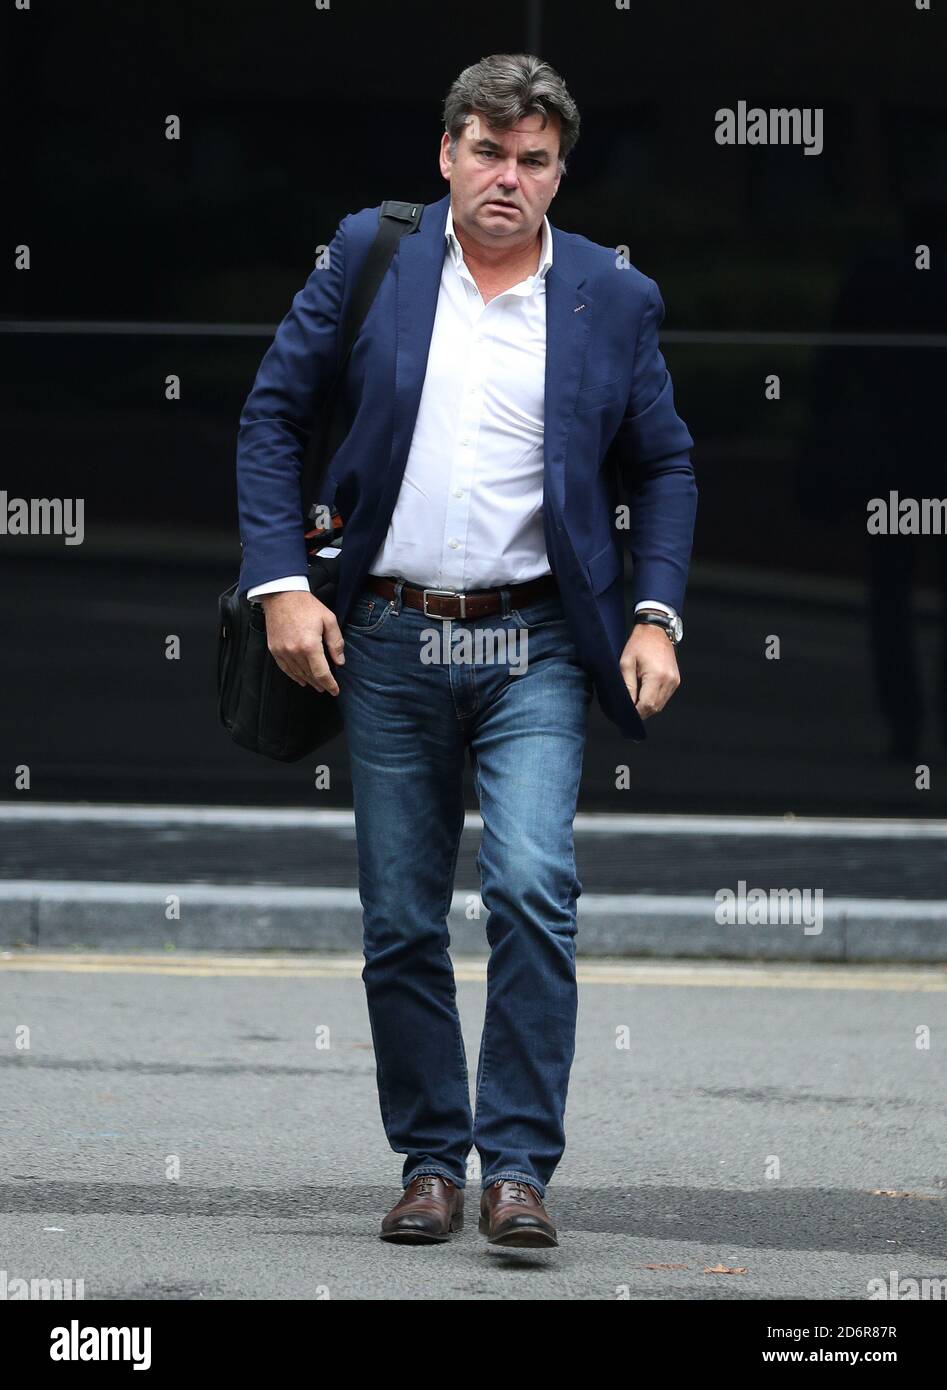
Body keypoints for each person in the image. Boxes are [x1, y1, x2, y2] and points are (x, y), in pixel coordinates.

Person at [236, 53, 697, 1248]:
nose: (507, 176)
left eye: (532, 159)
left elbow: (663, 461)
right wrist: (282, 583)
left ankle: (519, 1171)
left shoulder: (608, 293)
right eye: (485, 151)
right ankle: (432, 1160)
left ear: (558, 172)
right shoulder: (372, 256)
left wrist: (655, 613)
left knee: (532, 891)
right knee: (398, 915)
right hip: (384, 630)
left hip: (534, 639)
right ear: (446, 154)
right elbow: (273, 412)